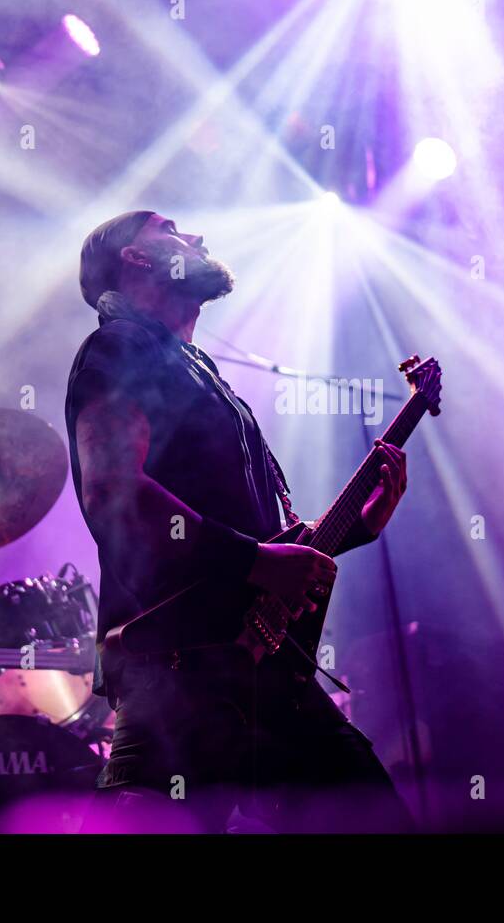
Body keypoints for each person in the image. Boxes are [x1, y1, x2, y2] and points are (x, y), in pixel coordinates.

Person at [66, 210, 414, 831]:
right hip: (178, 669)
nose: (196, 236)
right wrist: (255, 561)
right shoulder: (118, 347)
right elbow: (114, 493)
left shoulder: (201, 374)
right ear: (137, 260)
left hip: (260, 669)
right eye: (171, 229)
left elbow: (255, 551)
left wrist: (350, 532)